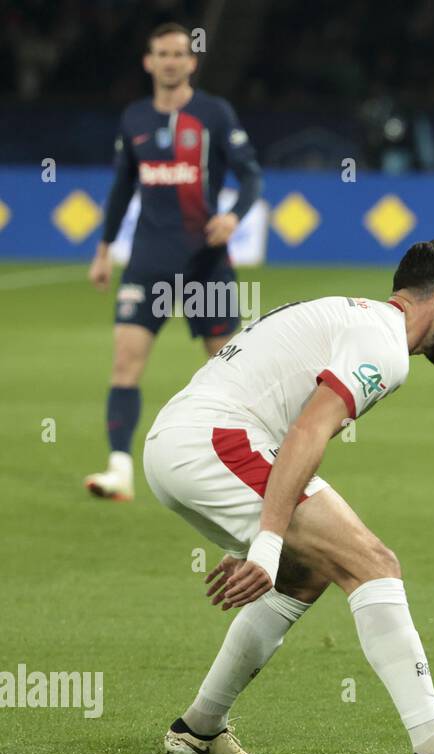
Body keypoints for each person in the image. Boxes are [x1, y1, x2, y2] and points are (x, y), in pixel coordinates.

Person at [143, 239, 434, 754]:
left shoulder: (356, 318)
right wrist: (266, 542)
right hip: (214, 443)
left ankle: (200, 727)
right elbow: (308, 431)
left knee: (307, 573)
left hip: (186, 444)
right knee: (372, 563)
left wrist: (262, 543)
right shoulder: (383, 344)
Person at [85, 22, 262, 502]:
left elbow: (251, 176)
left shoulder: (214, 114)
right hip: (147, 262)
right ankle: (119, 469)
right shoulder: (134, 118)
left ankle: (252, 464)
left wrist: (233, 215)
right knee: (125, 363)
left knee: (230, 368)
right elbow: (122, 189)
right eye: (161, 53)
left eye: (179, 54)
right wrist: (103, 251)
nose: (170, 61)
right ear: (149, 61)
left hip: (206, 262)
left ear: (192, 61)